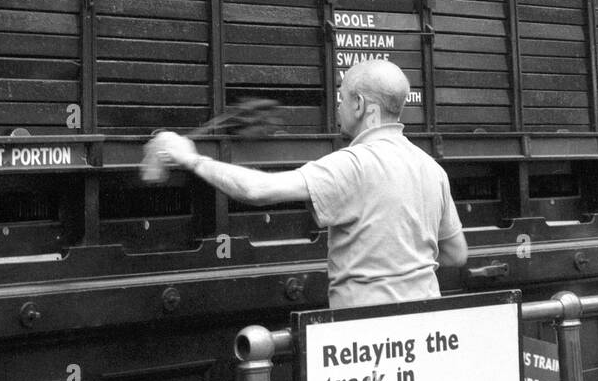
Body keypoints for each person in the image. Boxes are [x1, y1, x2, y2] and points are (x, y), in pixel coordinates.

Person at [142, 59, 467, 308]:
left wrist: (193, 159)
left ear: (360, 105)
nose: (338, 109)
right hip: (427, 327)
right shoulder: (431, 169)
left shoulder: (352, 165)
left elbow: (258, 191)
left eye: (341, 100)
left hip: (368, 336)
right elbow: (456, 254)